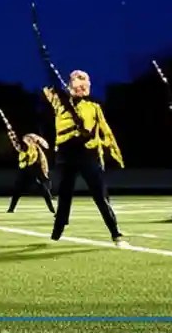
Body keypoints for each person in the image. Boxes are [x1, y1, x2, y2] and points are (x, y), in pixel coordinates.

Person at [42, 70, 127, 245]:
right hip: (66, 154)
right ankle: (57, 231)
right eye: (77, 81)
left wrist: (114, 152)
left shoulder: (94, 107)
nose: (82, 85)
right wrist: (62, 85)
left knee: (100, 195)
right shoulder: (60, 103)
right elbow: (48, 89)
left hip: (87, 153)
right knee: (64, 194)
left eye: (85, 82)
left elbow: (106, 132)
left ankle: (115, 233)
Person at [6, 133, 54, 214]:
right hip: (26, 169)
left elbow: (44, 149)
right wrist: (25, 160)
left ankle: (51, 208)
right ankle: (11, 208)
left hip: (35, 168)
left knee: (43, 188)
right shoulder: (22, 152)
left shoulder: (33, 148)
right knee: (18, 188)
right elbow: (22, 163)